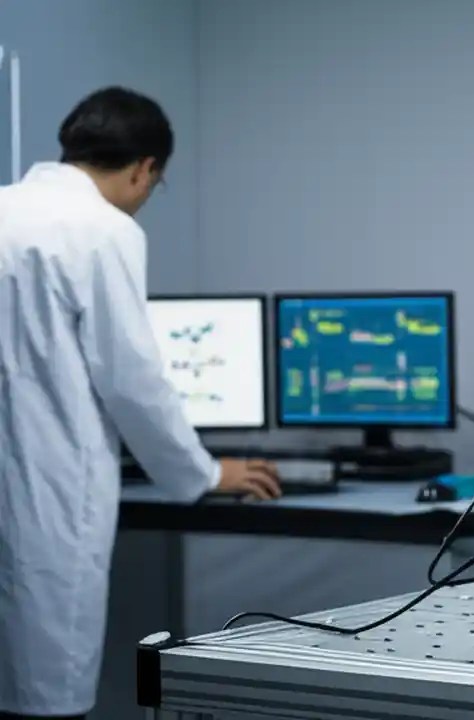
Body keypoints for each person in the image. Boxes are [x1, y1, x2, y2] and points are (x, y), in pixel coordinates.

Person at [0, 87, 282, 719]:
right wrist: (207, 473)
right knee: (42, 690)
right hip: (49, 491)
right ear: (144, 168)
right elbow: (131, 381)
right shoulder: (103, 231)